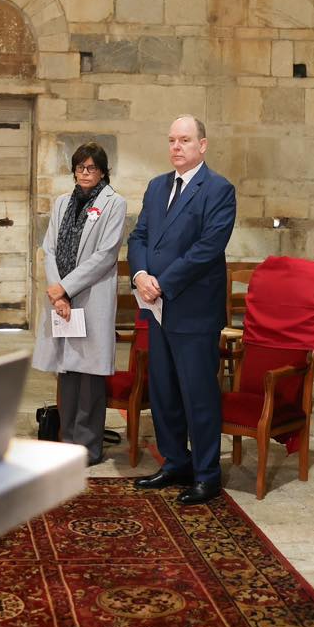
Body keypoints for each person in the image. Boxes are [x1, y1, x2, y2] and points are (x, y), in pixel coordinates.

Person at [128, 115, 237, 505]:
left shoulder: (218, 189)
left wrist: (162, 282)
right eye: (172, 140)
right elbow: (139, 234)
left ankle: (207, 474)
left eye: (185, 140)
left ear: (202, 145)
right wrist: (140, 273)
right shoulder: (157, 187)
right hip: (157, 309)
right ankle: (176, 461)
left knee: (198, 394)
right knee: (164, 392)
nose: (176, 147)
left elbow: (207, 248)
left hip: (192, 309)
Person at [32, 142, 126, 466]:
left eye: (91, 168)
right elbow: (51, 249)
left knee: (90, 377)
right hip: (62, 300)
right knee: (67, 372)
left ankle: (87, 446)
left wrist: (66, 289)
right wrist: (57, 292)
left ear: (102, 171)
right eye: (80, 167)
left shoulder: (115, 204)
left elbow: (105, 255)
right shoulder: (61, 203)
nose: (85, 173)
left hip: (91, 296)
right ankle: (66, 441)